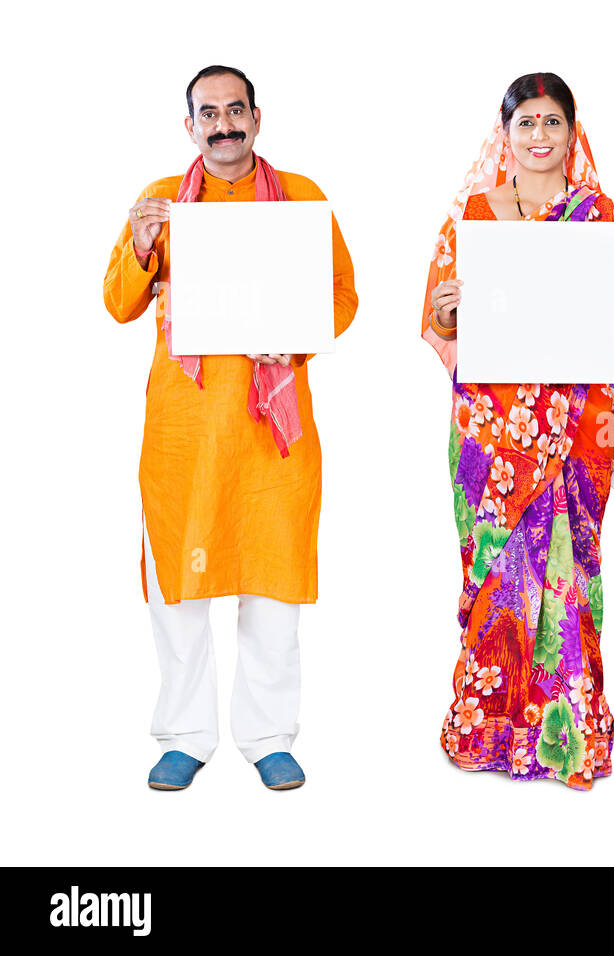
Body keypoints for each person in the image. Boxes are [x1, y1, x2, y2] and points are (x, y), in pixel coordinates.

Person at [103, 65, 358, 791]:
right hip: (184, 431)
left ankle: (269, 736)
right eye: (208, 113)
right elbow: (118, 303)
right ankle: (186, 735)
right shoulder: (160, 200)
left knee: (273, 586)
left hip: (273, 431)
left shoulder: (301, 198)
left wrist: (300, 338)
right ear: (190, 126)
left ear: (257, 117)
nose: (223, 124)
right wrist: (139, 244)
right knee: (178, 591)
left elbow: (342, 295)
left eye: (235, 109)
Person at [421, 72, 614, 790]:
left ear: (572, 131)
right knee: (495, 579)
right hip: (492, 431)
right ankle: (489, 730)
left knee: (572, 580)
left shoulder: (600, 216)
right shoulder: (473, 217)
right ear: (506, 132)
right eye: (527, 123)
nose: (540, 136)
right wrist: (451, 307)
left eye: (553, 122)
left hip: (578, 427)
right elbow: (438, 324)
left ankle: (566, 737)